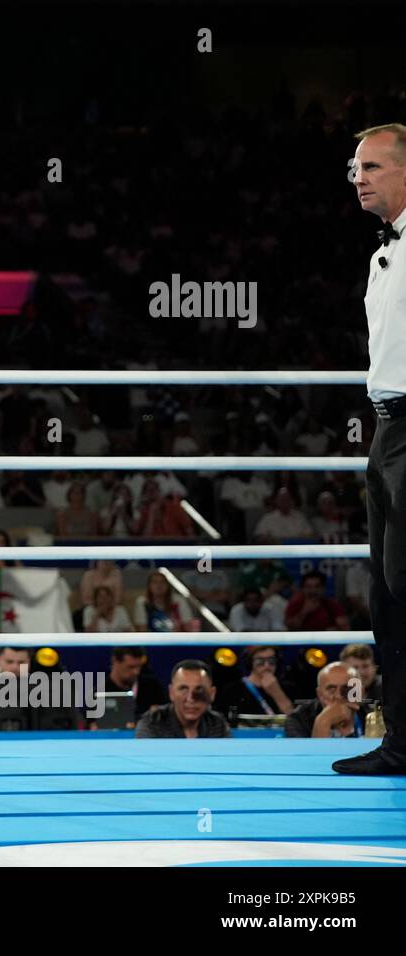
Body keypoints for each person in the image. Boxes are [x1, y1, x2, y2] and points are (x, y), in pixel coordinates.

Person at [338, 122, 406, 775]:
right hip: (386, 428)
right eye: (355, 168)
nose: (359, 177)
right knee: (387, 592)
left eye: (374, 167)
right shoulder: (382, 252)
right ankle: (403, 743)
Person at [134, 661, 231, 738]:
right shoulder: (152, 723)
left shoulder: (218, 724)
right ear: (171, 692)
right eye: (183, 689)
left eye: (199, 689)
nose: (190, 698)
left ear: (212, 693)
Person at [285, 662, 365, 739]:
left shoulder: (372, 715)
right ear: (320, 694)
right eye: (331, 689)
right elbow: (309, 753)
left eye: (347, 688)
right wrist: (323, 722)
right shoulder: (298, 720)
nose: (338, 696)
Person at [215, 645, 295, 720]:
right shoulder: (232, 690)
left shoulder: (289, 688)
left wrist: (278, 694)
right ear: (250, 662)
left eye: (271, 661)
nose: (267, 666)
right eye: (260, 661)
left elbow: (296, 721)